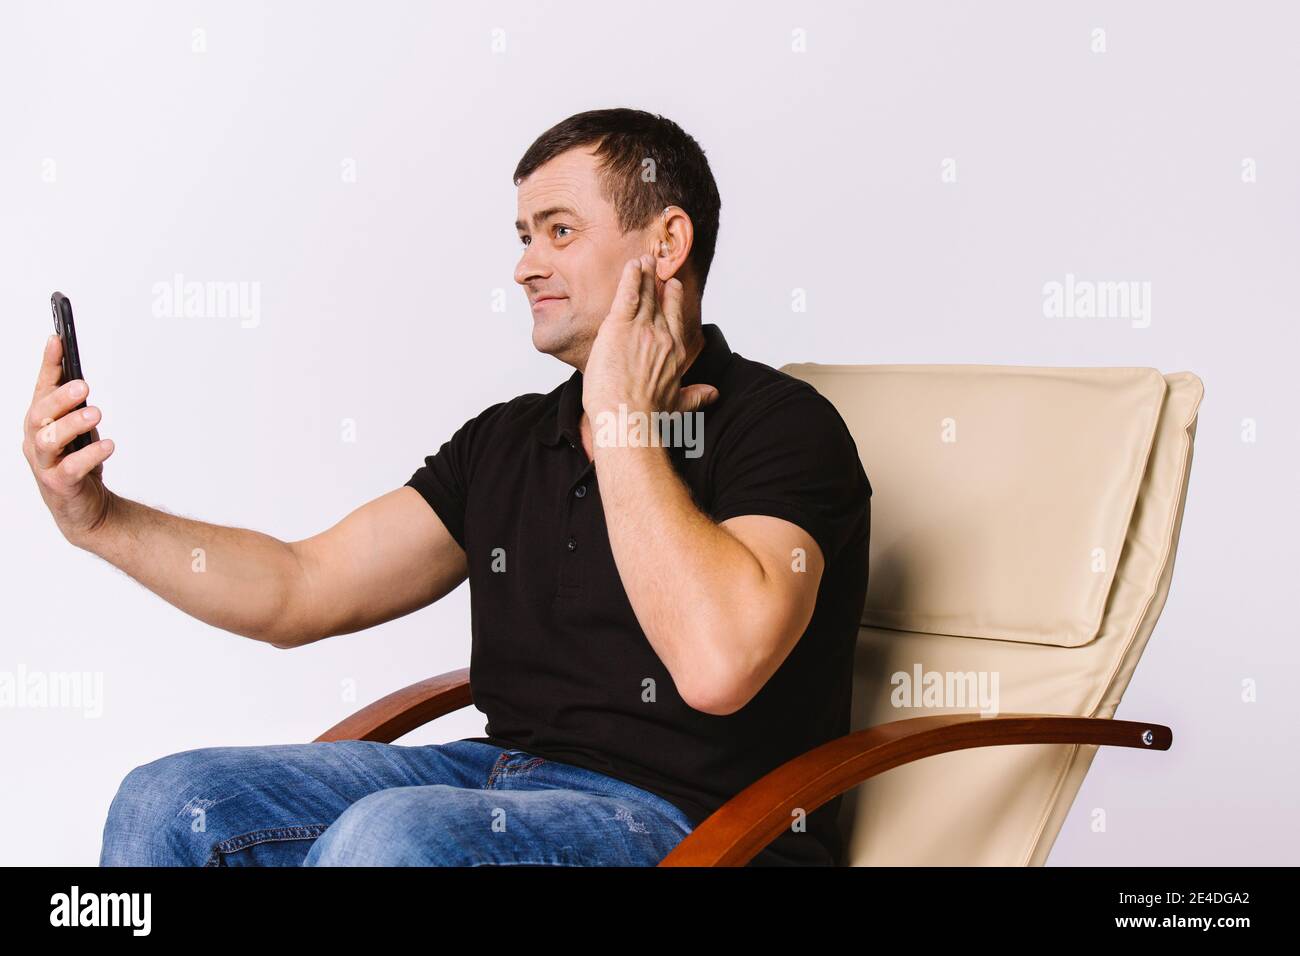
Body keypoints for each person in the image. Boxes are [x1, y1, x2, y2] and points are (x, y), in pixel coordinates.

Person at [21, 107, 871, 867]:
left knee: (396, 837)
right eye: (522, 235)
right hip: (492, 779)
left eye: (559, 231)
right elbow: (300, 587)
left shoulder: (783, 428)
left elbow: (718, 666)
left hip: (692, 825)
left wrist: (621, 425)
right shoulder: (509, 438)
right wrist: (100, 519)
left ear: (665, 244)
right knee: (163, 800)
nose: (525, 266)